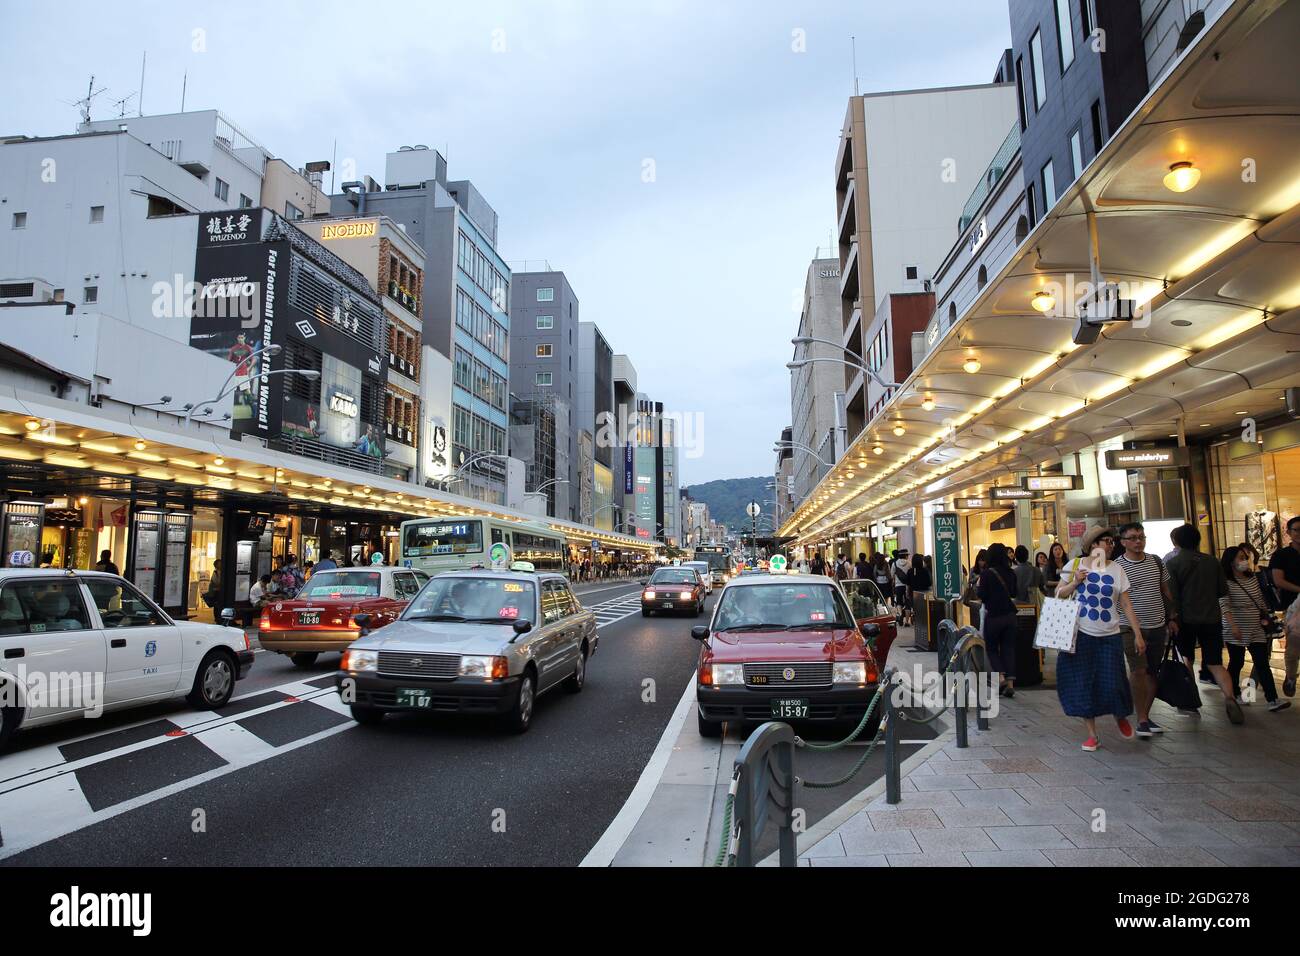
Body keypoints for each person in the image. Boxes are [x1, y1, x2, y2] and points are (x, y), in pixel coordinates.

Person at [1054, 526, 1141, 751]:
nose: (1111, 546)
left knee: (1114, 681)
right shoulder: (1075, 565)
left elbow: (1126, 604)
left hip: (1110, 634)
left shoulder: (1117, 569)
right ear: (1093, 545)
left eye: (1112, 542)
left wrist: (1137, 634)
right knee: (1083, 684)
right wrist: (1075, 582)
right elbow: (1059, 593)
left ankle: (1120, 714)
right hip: (1080, 635)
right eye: (1106, 542)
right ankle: (1092, 735)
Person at [1166, 523, 1243, 724]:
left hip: (1186, 619)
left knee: (1187, 659)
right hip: (1212, 618)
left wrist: (1172, 618)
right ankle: (1230, 697)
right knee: (1215, 662)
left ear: (1177, 541)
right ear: (1198, 540)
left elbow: (1172, 596)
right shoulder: (1213, 562)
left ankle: (1192, 701)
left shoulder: (1174, 564)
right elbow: (1222, 591)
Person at [1114, 522, 1175, 737]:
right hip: (1128, 626)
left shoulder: (1156, 561)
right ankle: (1140, 718)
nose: (1138, 541)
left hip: (1157, 624)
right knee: (1138, 670)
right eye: (1132, 538)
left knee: (1152, 672)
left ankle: (1145, 715)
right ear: (1123, 542)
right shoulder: (1117, 567)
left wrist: (1172, 617)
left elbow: (1164, 589)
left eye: (1141, 537)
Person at [1222, 544, 1289, 712]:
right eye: (1241, 558)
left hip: (1255, 626)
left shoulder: (1252, 578)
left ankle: (1272, 699)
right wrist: (1233, 626)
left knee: (1261, 662)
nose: (1244, 561)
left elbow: (1259, 600)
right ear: (1231, 562)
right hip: (1236, 627)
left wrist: (1266, 617)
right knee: (1236, 662)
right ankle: (1234, 694)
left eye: (1245, 557)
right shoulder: (1225, 581)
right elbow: (1224, 605)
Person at [978, 543, 1019, 697]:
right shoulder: (1011, 572)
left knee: (992, 648)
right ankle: (1010, 684)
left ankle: (1001, 677)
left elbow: (982, 595)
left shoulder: (986, 574)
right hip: (1010, 616)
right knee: (1008, 648)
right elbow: (1014, 593)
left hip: (994, 616)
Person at [1269, 515, 1300, 697]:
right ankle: (1290, 676)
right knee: (1294, 646)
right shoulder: (1281, 555)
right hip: (1292, 606)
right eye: (1296, 530)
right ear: (1288, 532)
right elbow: (1278, 580)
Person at [961, 549, 989, 629]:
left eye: (983, 561)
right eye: (979, 560)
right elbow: (970, 580)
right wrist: (978, 577)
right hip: (974, 595)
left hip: (984, 595)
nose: (981, 562)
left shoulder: (988, 570)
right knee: (975, 616)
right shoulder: (973, 569)